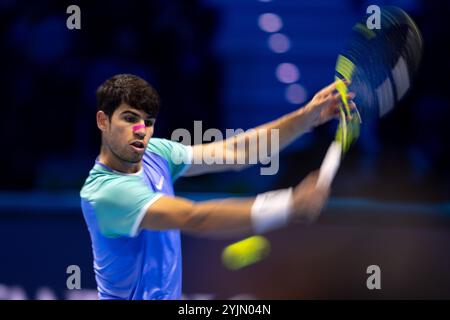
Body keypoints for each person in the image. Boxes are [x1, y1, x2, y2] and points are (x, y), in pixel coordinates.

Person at [80, 73, 355, 300]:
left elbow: (238, 152)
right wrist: (289, 204)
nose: (141, 130)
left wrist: (306, 117)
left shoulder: (156, 153)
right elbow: (194, 217)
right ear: (103, 121)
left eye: (148, 122)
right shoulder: (106, 193)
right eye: (129, 118)